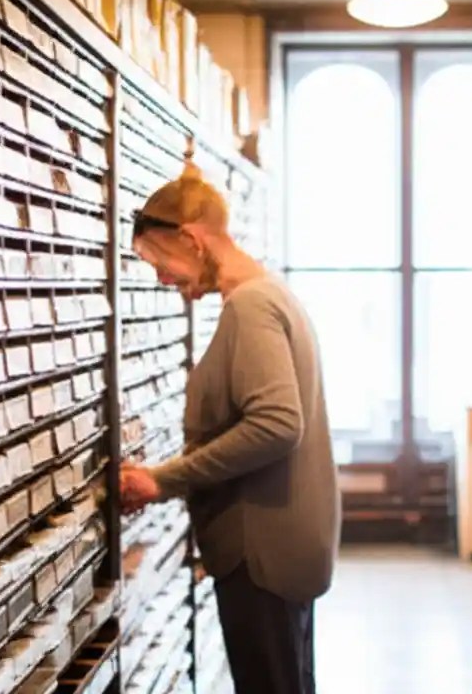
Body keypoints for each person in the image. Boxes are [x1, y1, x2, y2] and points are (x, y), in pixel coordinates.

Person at [119, 161, 340, 694]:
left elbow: (277, 423)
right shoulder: (272, 293)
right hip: (284, 546)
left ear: (192, 239)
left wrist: (161, 480)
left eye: (158, 260)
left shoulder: (251, 306)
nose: (161, 278)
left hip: (261, 554)